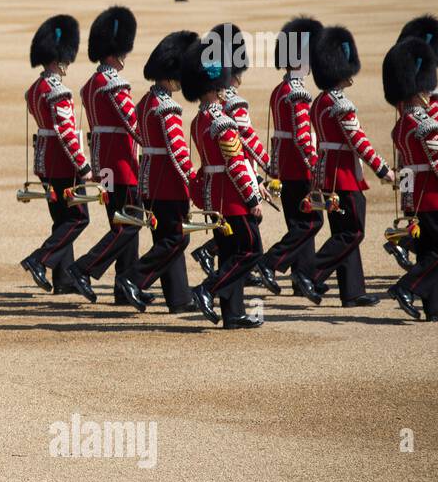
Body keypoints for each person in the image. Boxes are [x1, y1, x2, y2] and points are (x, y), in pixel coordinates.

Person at [308, 26, 394, 307]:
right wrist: (383, 170)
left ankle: (352, 291)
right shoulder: (341, 104)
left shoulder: (319, 102)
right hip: (343, 176)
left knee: (342, 233)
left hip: (327, 175)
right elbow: (359, 142)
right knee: (353, 232)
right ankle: (311, 272)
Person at [182, 43, 266, 330]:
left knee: (230, 254)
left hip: (213, 194)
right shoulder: (222, 121)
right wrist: (253, 196)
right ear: (215, 87)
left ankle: (233, 314)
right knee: (252, 250)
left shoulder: (199, 120)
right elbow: (236, 164)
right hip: (231, 196)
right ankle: (207, 288)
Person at [68, 7, 145, 309]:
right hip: (122, 165)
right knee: (130, 223)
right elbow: (133, 124)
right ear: (117, 52)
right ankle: (84, 267)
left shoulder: (90, 84)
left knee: (123, 221)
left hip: (104, 163)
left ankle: (126, 286)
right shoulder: (115, 84)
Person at [383, 39, 438, 321]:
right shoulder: (427, 124)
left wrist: (406, 200)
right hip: (434, 195)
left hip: (415, 195)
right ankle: (406, 288)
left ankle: (436, 307)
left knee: (429, 250)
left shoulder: (400, 127)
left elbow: (404, 166)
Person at [128, 31, 200, 313]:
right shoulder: (168, 107)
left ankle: (179, 298)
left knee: (166, 237)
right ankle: (133, 278)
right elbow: (178, 152)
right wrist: (193, 182)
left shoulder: (146, 102)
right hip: (167, 182)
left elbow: (138, 134)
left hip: (149, 178)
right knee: (177, 237)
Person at [21, 15, 91, 294]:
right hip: (63, 164)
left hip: (44, 161)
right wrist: (83, 166)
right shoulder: (59, 91)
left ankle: (63, 279)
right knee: (78, 218)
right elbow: (66, 133)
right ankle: (39, 259)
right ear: (59, 58)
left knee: (61, 219)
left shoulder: (35, 88)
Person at [260, 17, 323, 297]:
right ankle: (270, 262)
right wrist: (316, 168)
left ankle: (303, 278)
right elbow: (302, 136)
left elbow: (279, 135)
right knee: (311, 223)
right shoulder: (298, 92)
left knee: (299, 224)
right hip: (299, 168)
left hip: (285, 166)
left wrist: (274, 167)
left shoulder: (279, 90)